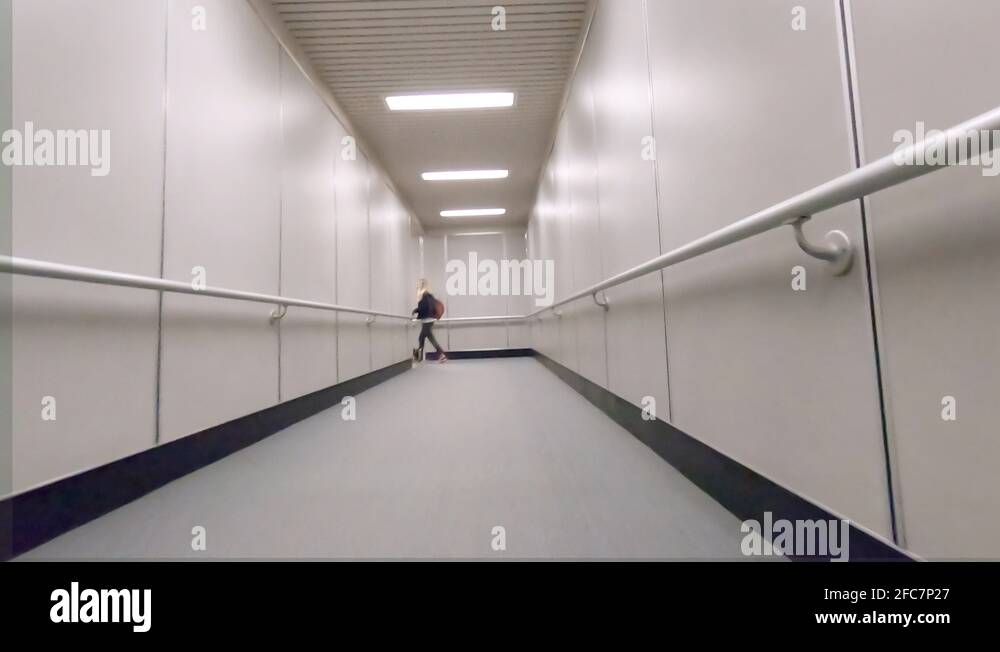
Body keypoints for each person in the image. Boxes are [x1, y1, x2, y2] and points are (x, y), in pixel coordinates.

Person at [412, 280, 447, 363]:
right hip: (428, 320)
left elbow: (424, 308)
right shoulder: (430, 297)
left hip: (427, 320)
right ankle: (418, 358)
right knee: (424, 338)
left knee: (425, 338)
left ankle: (441, 354)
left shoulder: (425, 297)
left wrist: (416, 310)